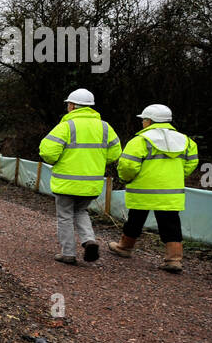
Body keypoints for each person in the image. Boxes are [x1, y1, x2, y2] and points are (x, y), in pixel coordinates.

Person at [108, 104, 198, 273]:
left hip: (142, 191)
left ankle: (125, 247)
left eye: (143, 120)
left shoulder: (140, 141)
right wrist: (176, 176)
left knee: (135, 219)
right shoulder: (186, 141)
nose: (142, 123)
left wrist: (127, 178)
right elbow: (192, 163)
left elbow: (127, 166)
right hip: (171, 192)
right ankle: (174, 260)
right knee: (171, 223)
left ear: (149, 121)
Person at [39, 88, 122, 265]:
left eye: (68, 104)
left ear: (73, 106)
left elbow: (47, 151)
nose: (67, 107)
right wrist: (97, 161)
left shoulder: (66, 126)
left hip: (66, 182)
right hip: (91, 183)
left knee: (65, 216)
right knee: (81, 211)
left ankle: (68, 253)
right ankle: (89, 240)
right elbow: (115, 153)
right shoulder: (105, 127)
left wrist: (58, 160)